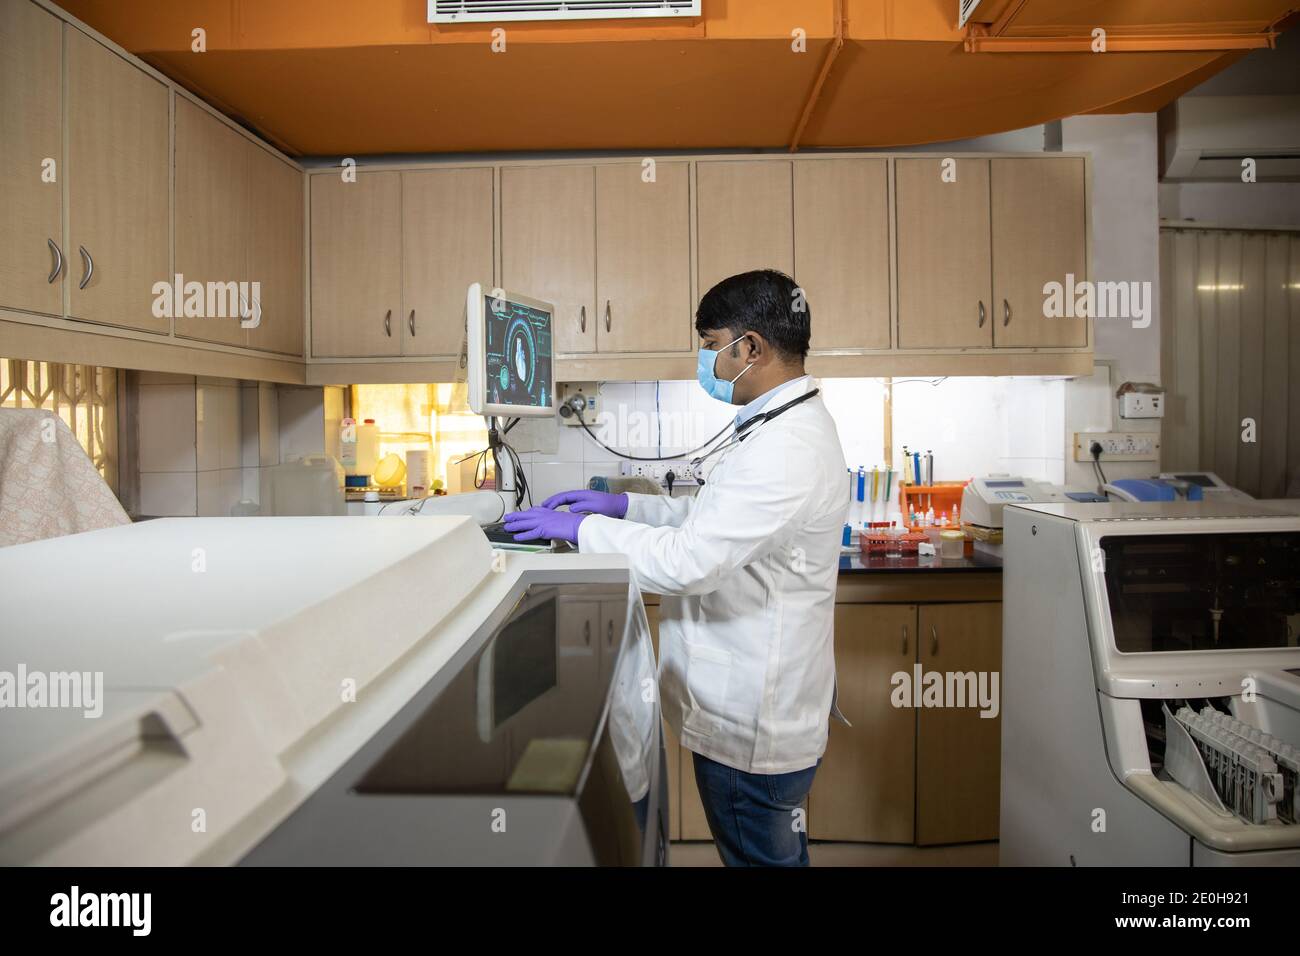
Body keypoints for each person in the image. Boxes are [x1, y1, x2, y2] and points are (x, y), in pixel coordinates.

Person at [504, 269, 849, 867]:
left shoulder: (787, 446)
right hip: (745, 705)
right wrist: (625, 505)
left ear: (751, 349)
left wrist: (585, 530)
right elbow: (711, 520)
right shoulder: (774, 425)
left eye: (712, 346)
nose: (707, 361)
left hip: (752, 719)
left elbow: (693, 561)